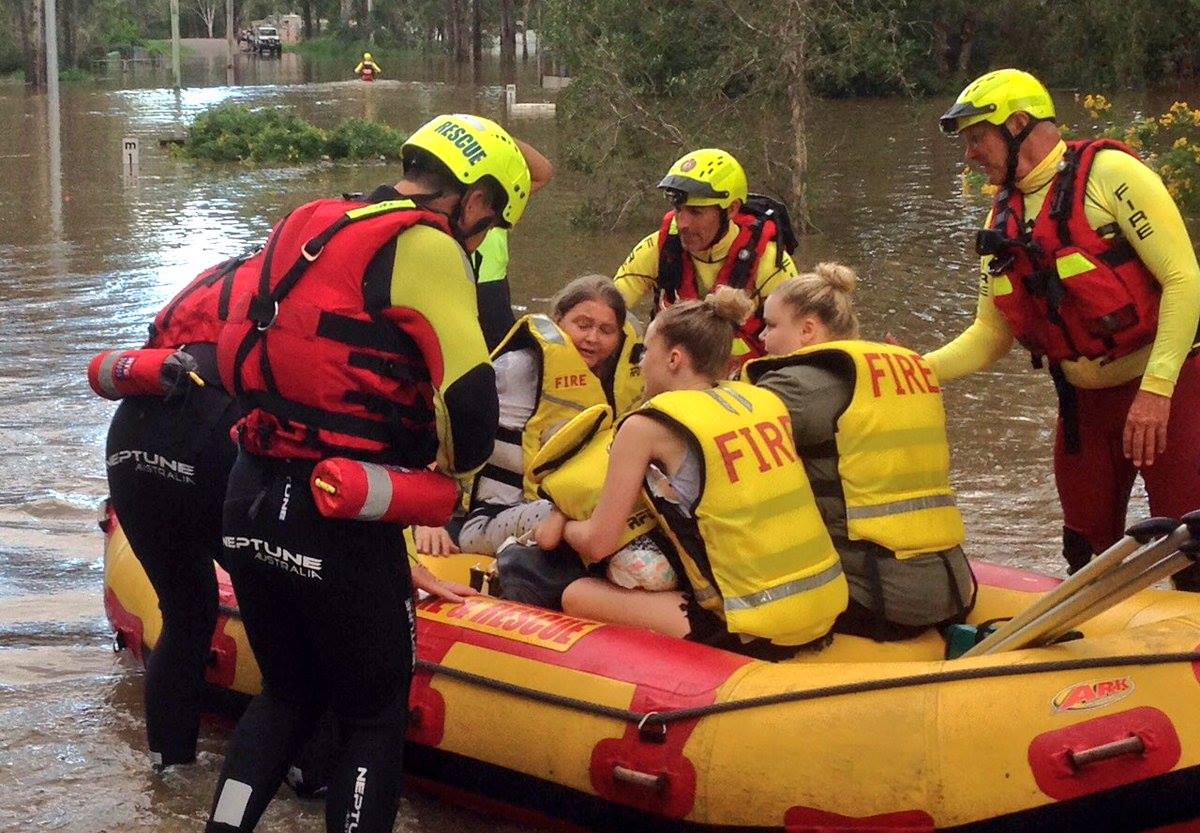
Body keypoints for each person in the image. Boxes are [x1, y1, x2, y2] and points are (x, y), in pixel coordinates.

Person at [204, 113, 527, 833]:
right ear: (473, 200)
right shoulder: (428, 244)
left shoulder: (313, 218)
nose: (481, 240)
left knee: (285, 694)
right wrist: (453, 469)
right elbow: (472, 405)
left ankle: (220, 826)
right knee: (374, 714)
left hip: (250, 494)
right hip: (341, 512)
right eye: (489, 222)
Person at [932, 69, 1200, 588]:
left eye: (976, 137)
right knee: (1085, 551)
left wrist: (1156, 390)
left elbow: (1184, 279)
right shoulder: (1000, 220)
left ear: (1016, 124)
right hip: (1082, 406)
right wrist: (910, 370)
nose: (969, 153)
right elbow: (989, 336)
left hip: (1169, 391)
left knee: (1194, 549)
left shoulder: (1111, 174)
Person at [537, 287, 849, 659]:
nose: (640, 363)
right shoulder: (763, 401)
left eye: (645, 351)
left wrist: (559, 523)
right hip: (823, 608)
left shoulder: (645, 427)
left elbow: (598, 542)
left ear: (673, 358)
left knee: (576, 594)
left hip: (749, 627)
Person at [743, 263, 976, 641]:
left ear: (807, 330)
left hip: (877, 599)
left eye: (770, 326)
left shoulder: (797, 389)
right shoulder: (898, 370)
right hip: (951, 583)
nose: (762, 338)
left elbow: (710, 445)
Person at [99, 255, 254, 772]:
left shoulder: (217, 281)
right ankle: (303, 779)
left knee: (186, 617)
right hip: (211, 438)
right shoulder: (306, 290)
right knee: (288, 616)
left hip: (131, 439)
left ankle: (169, 778)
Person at [415, 275, 643, 561]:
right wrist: (425, 518)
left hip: (558, 509)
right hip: (485, 519)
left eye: (606, 330)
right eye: (582, 325)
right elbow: (438, 428)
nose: (592, 338)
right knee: (577, 509)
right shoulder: (516, 368)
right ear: (558, 320)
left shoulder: (620, 385)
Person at [613, 148, 799, 365]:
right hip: (673, 380)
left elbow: (797, 343)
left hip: (744, 388)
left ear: (731, 209)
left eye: (696, 212)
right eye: (678, 209)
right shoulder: (660, 246)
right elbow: (607, 308)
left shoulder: (771, 262)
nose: (682, 223)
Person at [472, 142, 554, 350]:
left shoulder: (496, 199)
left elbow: (542, 172)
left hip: (493, 291)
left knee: (504, 357)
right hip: (457, 288)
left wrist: (497, 137)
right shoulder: (441, 199)